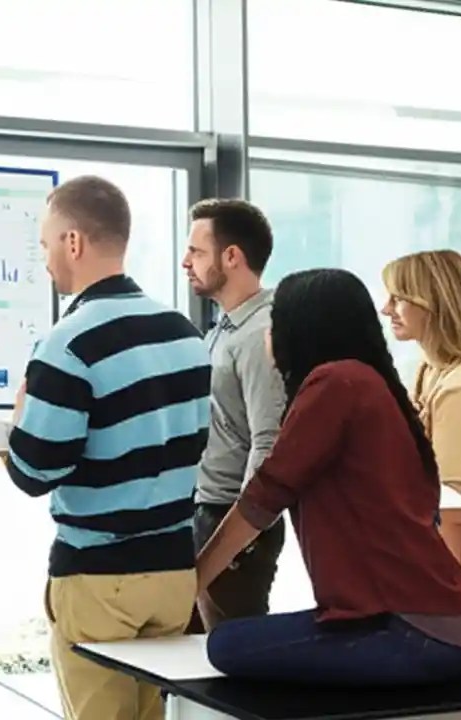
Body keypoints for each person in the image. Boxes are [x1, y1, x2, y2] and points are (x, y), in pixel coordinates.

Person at [198, 268, 461, 686]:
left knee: (225, 645)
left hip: (411, 629)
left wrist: (194, 580)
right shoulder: (370, 383)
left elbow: (264, 496)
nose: (267, 336)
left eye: (275, 323)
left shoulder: (335, 384)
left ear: (303, 329)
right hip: (443, 622)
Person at [5, 176, 210, 720]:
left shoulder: (67, 342)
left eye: (47, 243)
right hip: (172, 573)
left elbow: (35, 470)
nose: (46, 258)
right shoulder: (183, 333)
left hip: (98, 577)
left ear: (73, 242)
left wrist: (18, 424)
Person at [180, 198, 286, 632]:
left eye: (197, 252)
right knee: (189, 659)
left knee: (228, 661)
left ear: (232, 257)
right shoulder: (225, 328)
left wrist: (243, 534)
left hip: (231, 517)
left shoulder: (262, 333)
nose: (186, 262)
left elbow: (269, 441)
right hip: (206, 510)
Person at [381, 249, 461, 612]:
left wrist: (433, 599)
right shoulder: (431, 371)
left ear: (431, 304)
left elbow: (450, 506)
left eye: (398, 298)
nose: (386, 309)